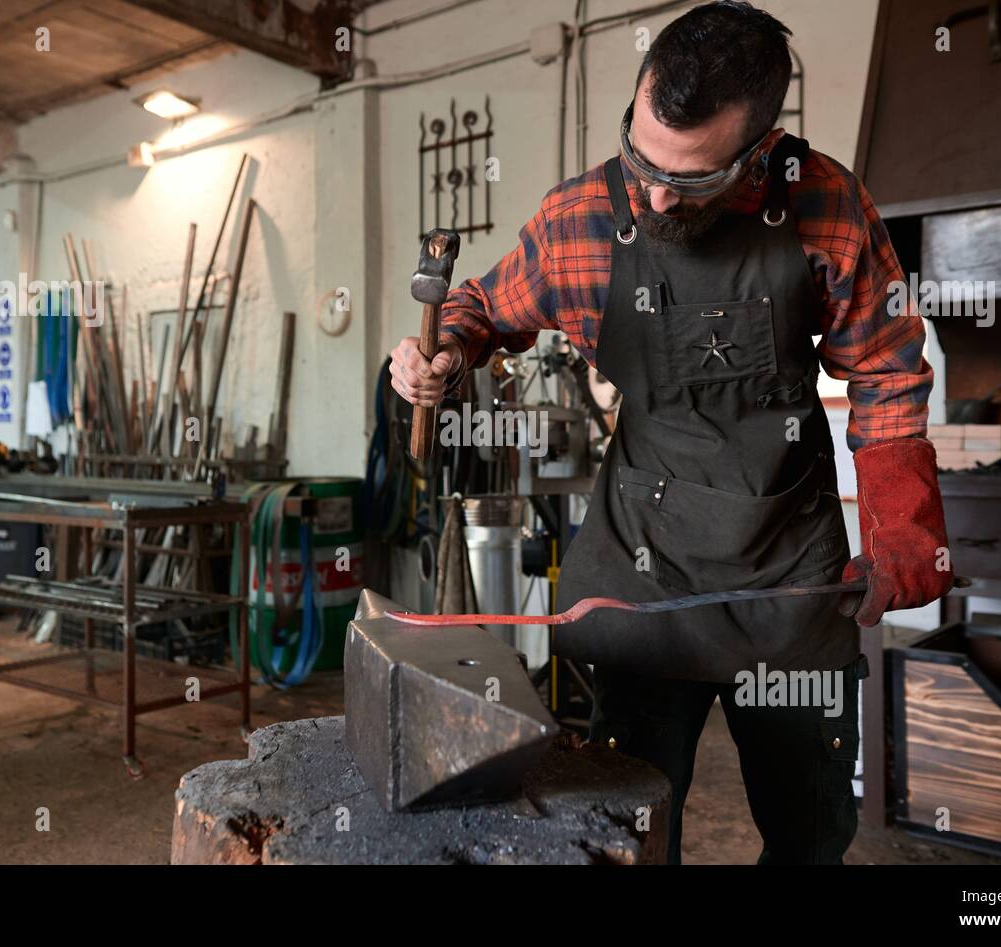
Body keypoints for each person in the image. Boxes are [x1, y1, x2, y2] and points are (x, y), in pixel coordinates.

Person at [389, 1, 952, 864]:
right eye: (639, 157)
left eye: (688, 182)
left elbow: (886, 370)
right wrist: (442, 356)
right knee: (622, 825)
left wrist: (903, 531)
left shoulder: (826, 206)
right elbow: (478, 309)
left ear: (759, 150)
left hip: (788, 576)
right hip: (644, 573)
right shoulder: (578, 221)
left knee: (809, 832)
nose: (652, 194)